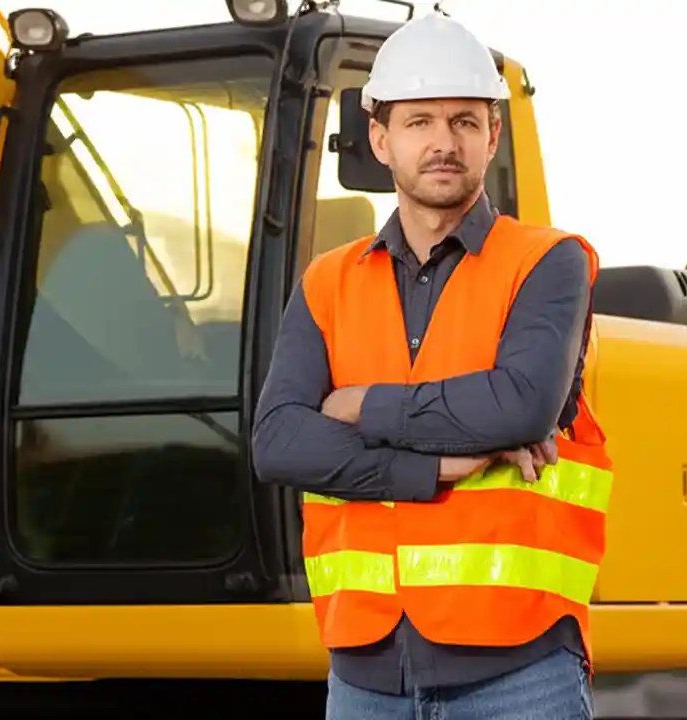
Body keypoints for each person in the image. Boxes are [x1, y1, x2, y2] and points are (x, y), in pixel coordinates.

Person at [250, 10, 614, 720]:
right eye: (419, 122)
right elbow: (278, 442)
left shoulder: (548, 262)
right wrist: (434, 465)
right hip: (365, 674)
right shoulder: (327, 282)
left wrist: (358, 405)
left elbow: (519, 407)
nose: (444, 143)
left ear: (492, 135)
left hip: (519, 669)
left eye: (464, 122)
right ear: (380, 139)